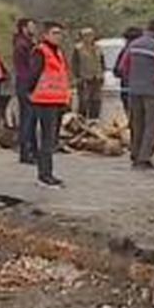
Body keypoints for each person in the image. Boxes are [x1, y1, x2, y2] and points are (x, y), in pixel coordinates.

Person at [118, 22, 154, 169]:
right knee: (151, 125)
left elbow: (123, 67)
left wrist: (133, 80)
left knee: (136, 124)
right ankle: (144, 158)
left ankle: (135, 154)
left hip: (133, 90)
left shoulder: (133, 45)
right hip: (152, 91)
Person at [29, 21, 73, 188]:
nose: (58, 36)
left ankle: (47, 173)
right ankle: (44, 174)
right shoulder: (41, 52)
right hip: (44, 100)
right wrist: (30, 92)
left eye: (60, 33)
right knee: (46, 140)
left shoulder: (58, 53)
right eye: (55, 33)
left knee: (52, 139)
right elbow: (33, 74)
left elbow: (62, 76)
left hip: (57, 100)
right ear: (45, 35)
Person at [12, 18, 40, 164]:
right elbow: (25, 69)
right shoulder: (22, 45)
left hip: (29, 85)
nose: (34, 28)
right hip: (26, 85)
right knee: (27, 119)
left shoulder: (29, 44)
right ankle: (26, 152)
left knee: (31, 119)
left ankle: (33, 150)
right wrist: (30, 86)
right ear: (24, 28)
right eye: (31, 26)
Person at [70, 27, 104, 121]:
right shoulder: (78, 49)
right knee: (84, 101)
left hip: (96, 78)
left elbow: (101, 62)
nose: (89, 38)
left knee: (96, 101)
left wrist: (101, 74)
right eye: (86, 35)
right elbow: (74, 64)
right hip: (84, 78)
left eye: (91, 35)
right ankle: (82, 121)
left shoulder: (98, 48)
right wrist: (77, 77)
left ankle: (95, 120)